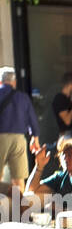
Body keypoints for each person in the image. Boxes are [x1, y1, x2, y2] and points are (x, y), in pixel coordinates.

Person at [0, 66, 43, 195]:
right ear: (14, 82)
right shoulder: (23, 98)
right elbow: (33, 120)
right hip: (19, 140)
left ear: (0, 81)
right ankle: (19, 211)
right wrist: (35, 140)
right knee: (19, 179)